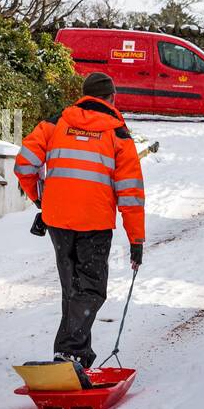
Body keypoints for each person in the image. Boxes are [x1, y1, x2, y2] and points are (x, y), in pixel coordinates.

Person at [13, 72, 145, 378]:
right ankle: (69, 352)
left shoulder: (54, 123)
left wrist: (40, 200)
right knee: (92, 289)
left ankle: (75, 356)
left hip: (58, 221)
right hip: (94, 224)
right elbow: (131, 193)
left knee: (72, 287)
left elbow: (24, 165)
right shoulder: (119, 135)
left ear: (84, 95)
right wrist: (136, 239)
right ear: (112, 98)